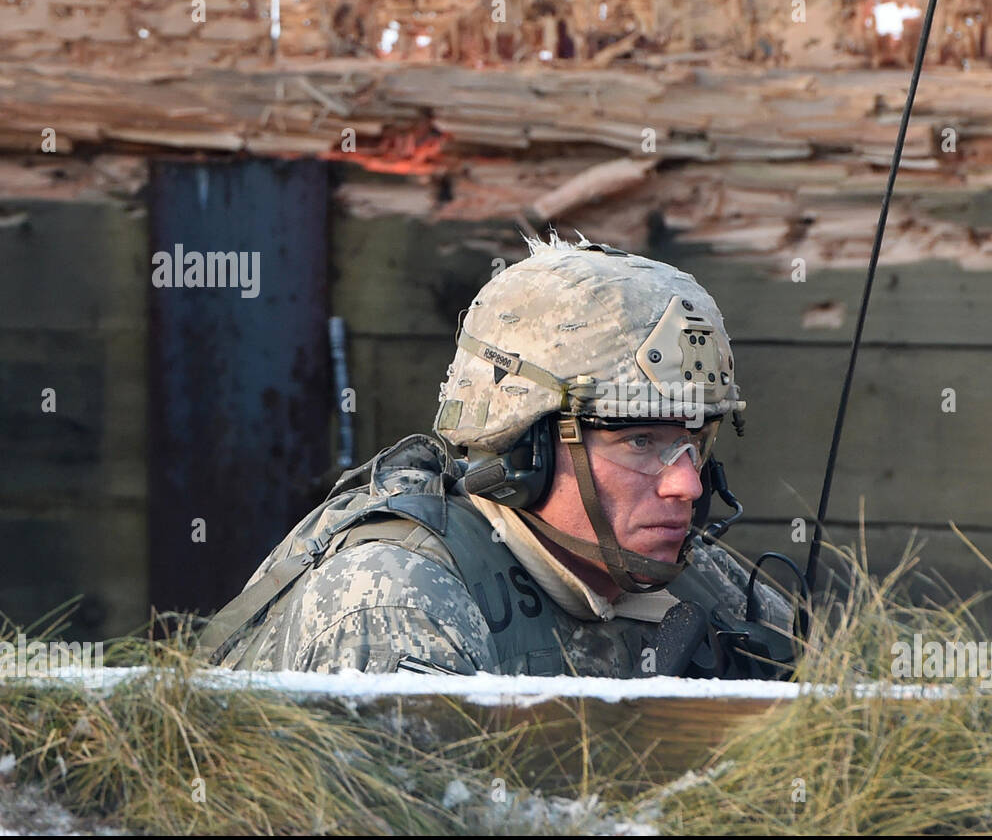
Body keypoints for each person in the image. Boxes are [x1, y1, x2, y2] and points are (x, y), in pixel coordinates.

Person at [198, 234, 797, 679]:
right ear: (526, 448)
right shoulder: (394, 596)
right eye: (640, 442)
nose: (686, 486)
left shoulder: (702, 581)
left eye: (694, 442)